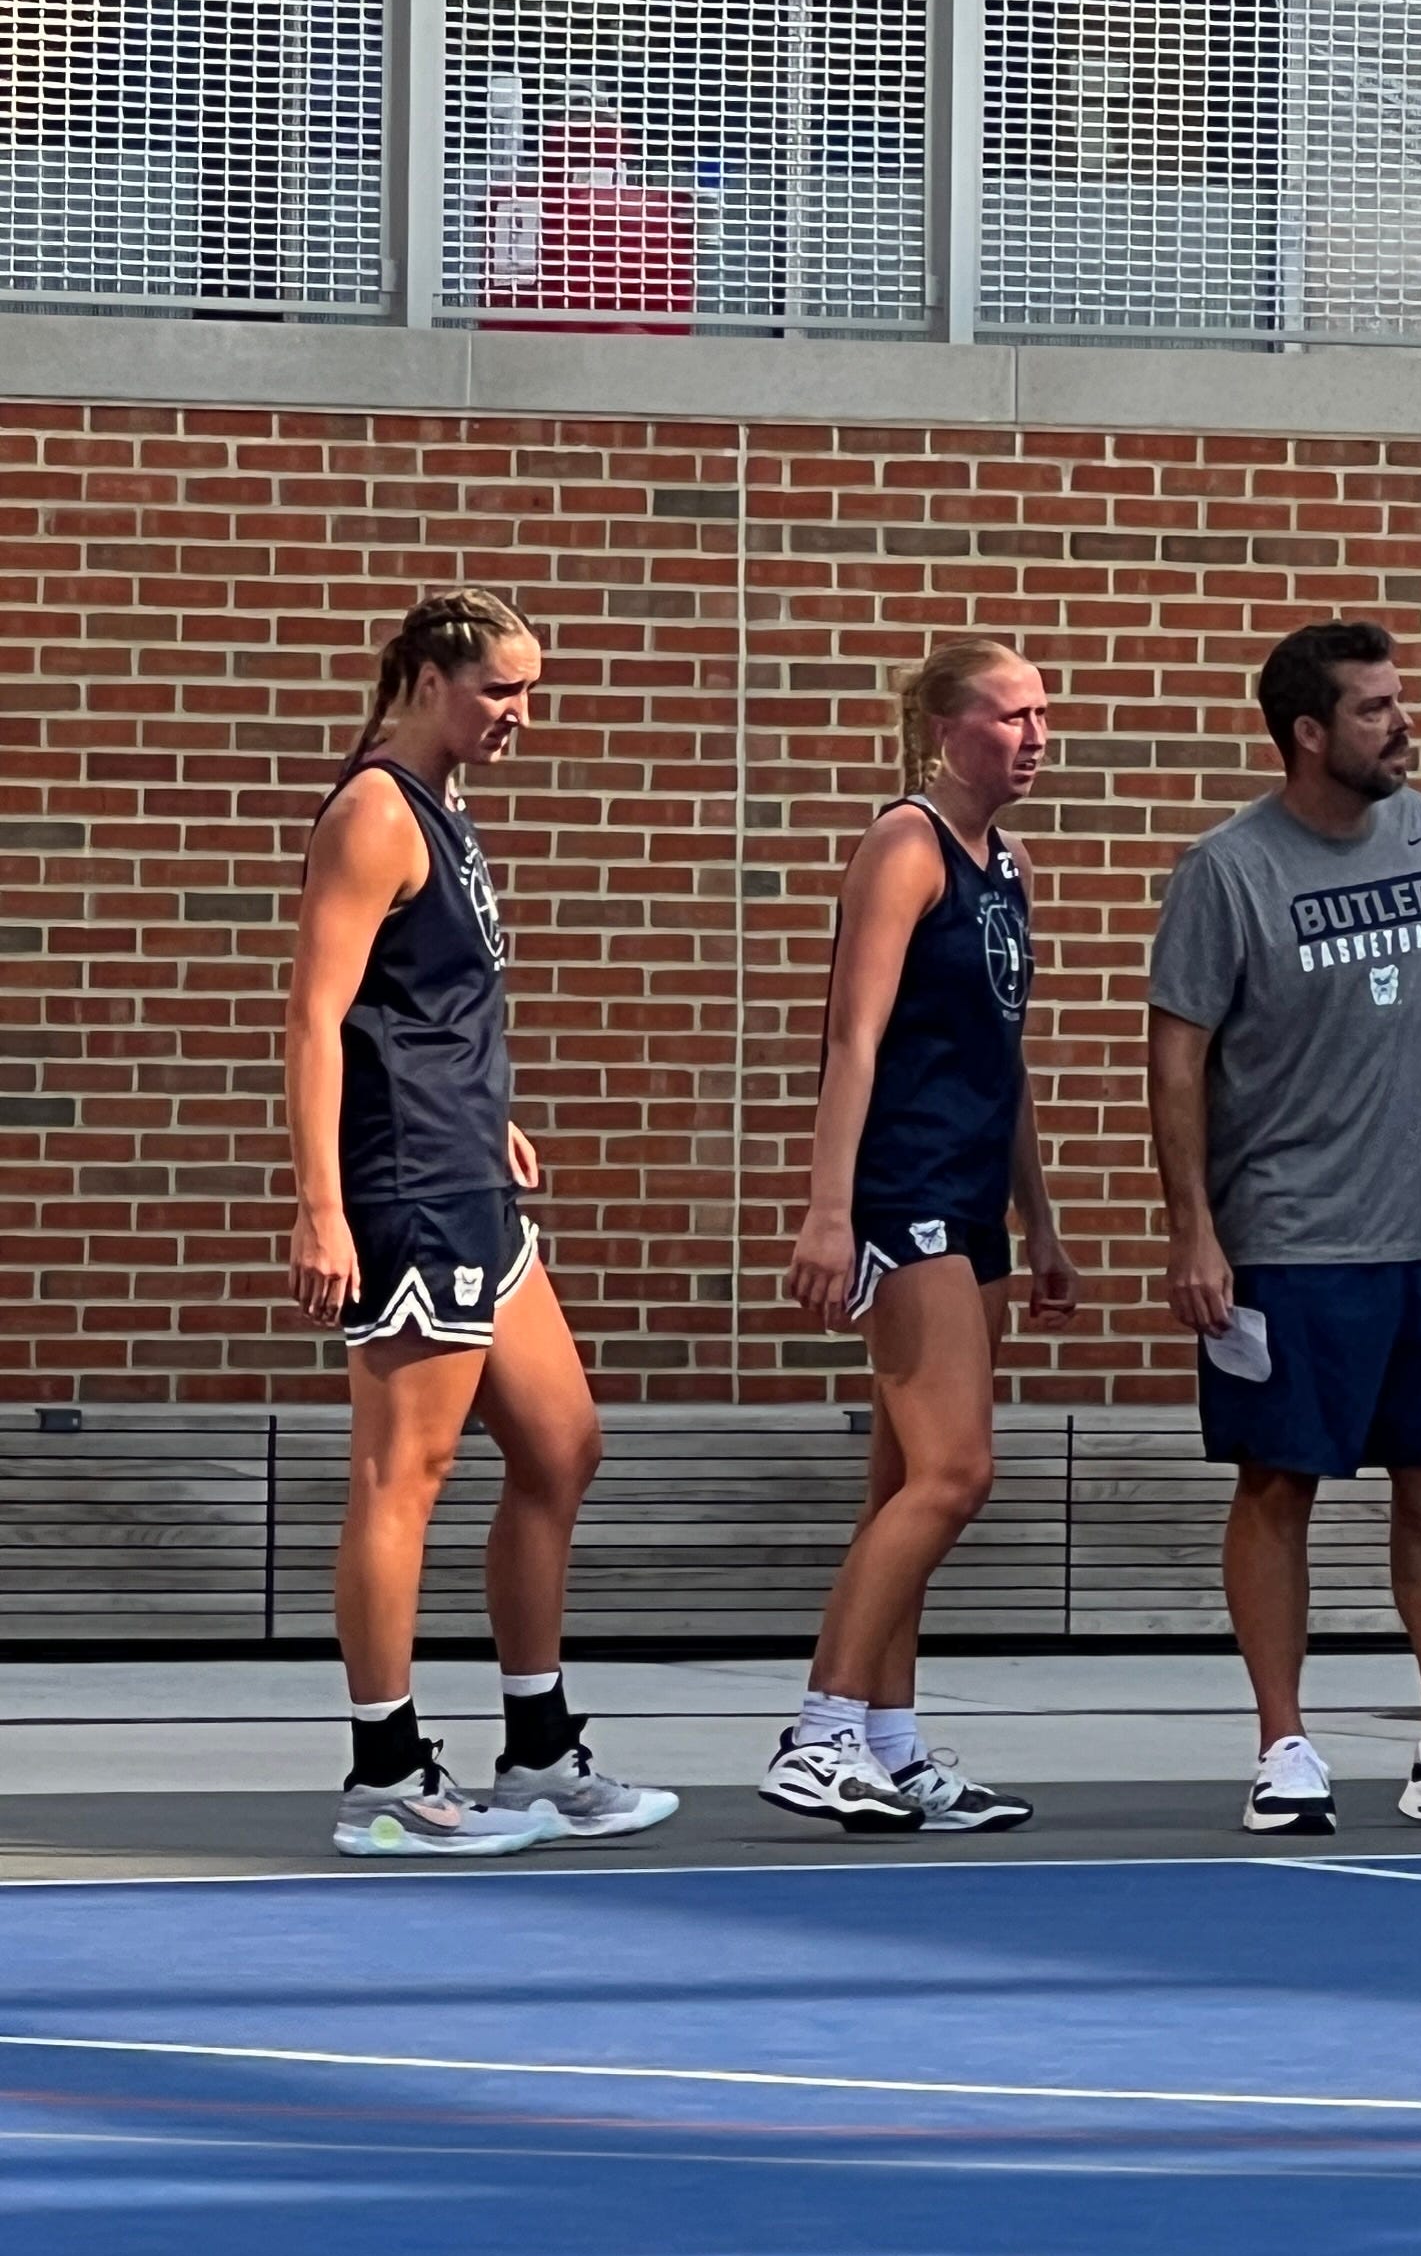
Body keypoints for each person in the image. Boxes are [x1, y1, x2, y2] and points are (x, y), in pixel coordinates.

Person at [1147, 620, 1421, 1834]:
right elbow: (1176, 1062)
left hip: (1409, 1240)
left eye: (1399, 702)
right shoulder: (1227, 871)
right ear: (1308, 732)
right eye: (1374, 708)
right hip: (1285, 1240)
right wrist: (1193, 1231)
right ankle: (1284, 1749)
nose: (1403, 725)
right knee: (1278, 1485)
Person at [281, 591, 678, 1859]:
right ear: (428, 682)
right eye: (502, 690)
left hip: (470, 1176)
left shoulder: (445, 810)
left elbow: (425, 1007)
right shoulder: (374, 813)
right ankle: (384, 1775)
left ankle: (539, 1752)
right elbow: (317, 1020)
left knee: (562, 1447)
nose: (521, 715)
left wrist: (490, 1115)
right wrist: (321, 1207)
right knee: (402, 1473)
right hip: (404, 1186)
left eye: (530, 692)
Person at [760, 639, 1078, 1835]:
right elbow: (852, 1038)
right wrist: (829, 1210)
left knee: (903, 1483)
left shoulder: (1011, 867)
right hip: (904, 1192)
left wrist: (1039, 1219)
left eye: (1041, 714)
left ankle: (889, 1744)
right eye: (1010, 716)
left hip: (974, 1195)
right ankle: (821, 1729)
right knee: (956, 1473)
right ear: (948, 732)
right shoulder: (905, 845)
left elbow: (1005, 1057)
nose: (1035, 736)